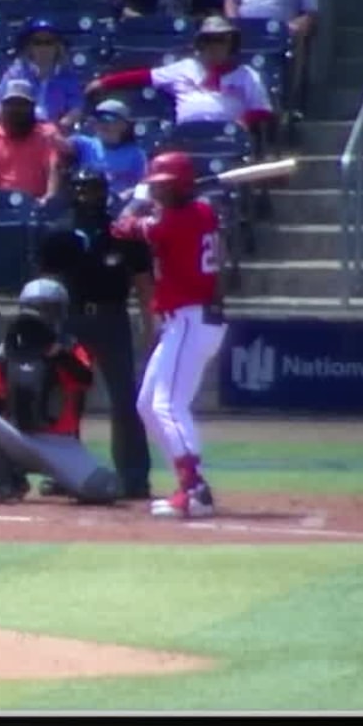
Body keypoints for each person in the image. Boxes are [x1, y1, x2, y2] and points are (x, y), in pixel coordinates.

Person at [115, 151, 227, 519]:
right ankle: (189, 486)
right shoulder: (200, 212)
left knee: (168, 406)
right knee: (148, 404)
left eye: (165, 186)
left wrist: (138, 198)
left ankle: (195, 490)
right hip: (187, 321)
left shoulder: (174, 223)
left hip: (191, 321)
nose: (160, 192)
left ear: (180, 187)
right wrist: (157, 196)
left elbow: (123, 226)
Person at [0, 277, 120, 505]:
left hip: (59, 446)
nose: (40, 314)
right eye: (34, 308)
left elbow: (84, 379)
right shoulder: (6, 351)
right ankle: (7, 481)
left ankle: (62, 480)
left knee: (103, 488)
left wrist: (58, 355)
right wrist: (1, 451)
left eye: (47, 309)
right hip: (18, 438)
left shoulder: (71, 348)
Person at [36, 169, 154, 500]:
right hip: (70, 319)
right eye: (84, 190)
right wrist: (45, 329)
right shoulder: (60, 231)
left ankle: (134, 477)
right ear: (74, 191)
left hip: (112, 319)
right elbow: (45, 283)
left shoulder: (122, 232)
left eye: (96, 190)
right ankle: (64, 473)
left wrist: (150, 328)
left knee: (125, 401)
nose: (90, 196)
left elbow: (144, 285)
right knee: (65, 399)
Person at [87, 16, 274, 135]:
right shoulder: (185, 68)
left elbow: (263, 110)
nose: (215, 45)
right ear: (201, 44)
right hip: (187, 136)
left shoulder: (246, 75)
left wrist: (243, 122)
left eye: (221, 40)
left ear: (231, 44)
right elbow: (145, 76)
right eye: (209, 40)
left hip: (227, 136)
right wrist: (105, 83)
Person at [224, 0, 319, 112]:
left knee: (299, 37)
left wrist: (296, 25)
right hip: (247, 27)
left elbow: (310, 12)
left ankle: (288, 104)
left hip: (282, 30)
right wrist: (234, 21)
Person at [0, 80, 63, 202]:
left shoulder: (46, 136)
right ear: (3, 107)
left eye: (22, 105)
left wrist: (47, 198)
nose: (16, 110)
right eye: (11, 105)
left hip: (35, 205)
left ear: (32, 108)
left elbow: (53, 171)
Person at [0, 18, 85, 132]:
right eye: (37, 42)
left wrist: (59, 127)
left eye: (49, 42)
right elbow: (1, 107)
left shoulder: (68, 77)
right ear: (29, 47)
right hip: (20, 132)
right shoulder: (14, 74)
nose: (43, 48)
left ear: (57, 46)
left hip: (56, 133)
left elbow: (76, 108)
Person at [69, 99, 148, 200]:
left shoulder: (136, 154)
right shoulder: (83, 144)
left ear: (123, 125)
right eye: (98, 120)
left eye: (107, 121)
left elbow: (145, 185)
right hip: (87, 203)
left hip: (119, 207)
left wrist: (129, 194)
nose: (102, 125)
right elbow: (59, 144)